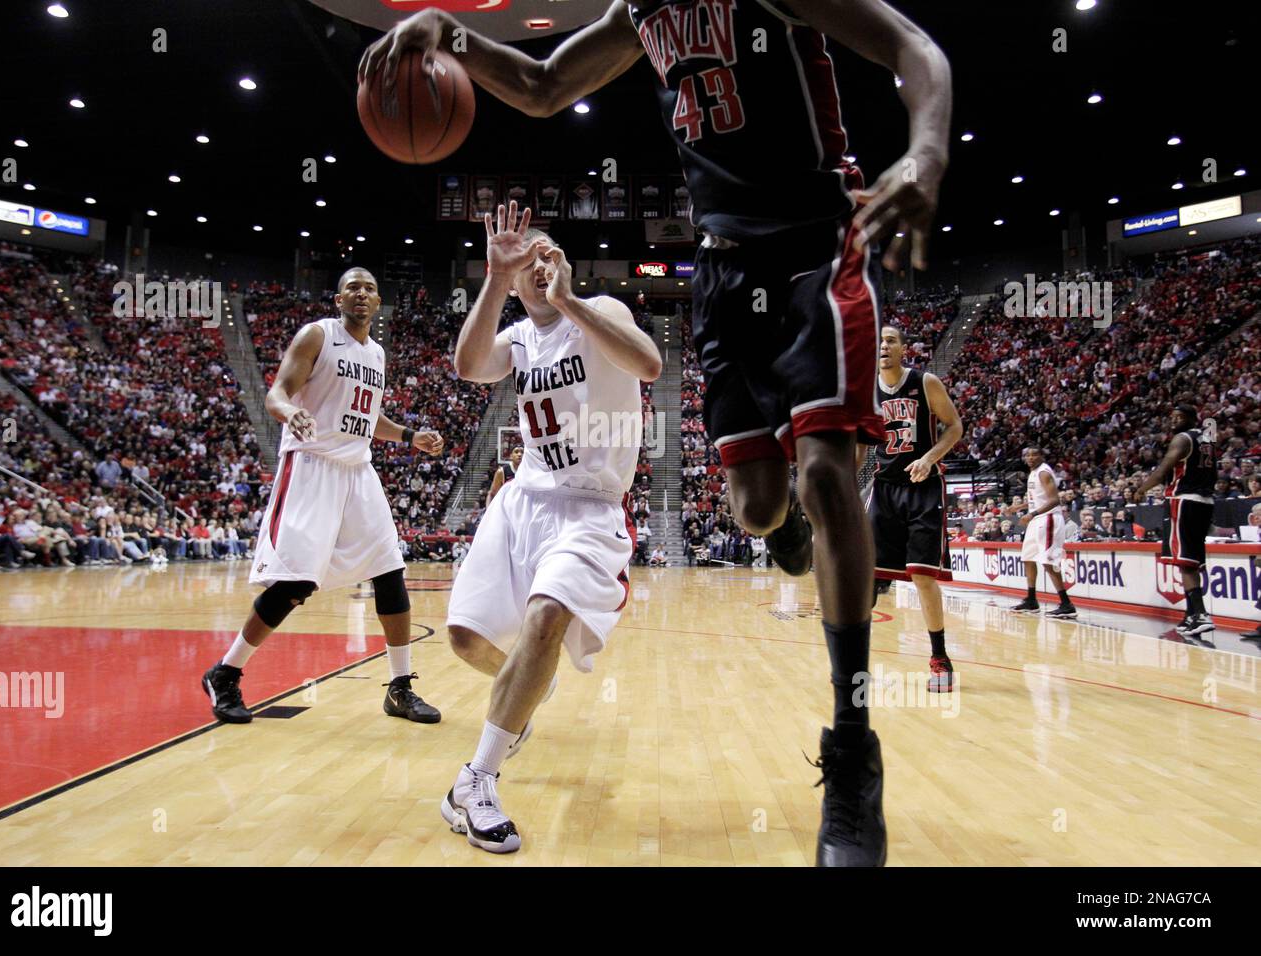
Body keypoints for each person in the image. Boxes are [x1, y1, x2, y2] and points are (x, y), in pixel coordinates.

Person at [361, 0, 952, 868]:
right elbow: (541, 83)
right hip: (723, 267)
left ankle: (853, 749)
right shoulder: (642, 8)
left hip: (817, 241)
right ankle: (783, 529)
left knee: (829, 476)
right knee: (756, 508)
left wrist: (926, 156)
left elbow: (914, 46)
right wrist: (444, 33)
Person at [442, 203, 660, 854]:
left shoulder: (602, 314)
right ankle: (529, 685)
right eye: (524, 261)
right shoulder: (517, 339)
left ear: (562, 265)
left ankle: (474, 781)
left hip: (590, 507)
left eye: (547, 255)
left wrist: (570, 301)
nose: (537, 266)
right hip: (523, 499)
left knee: (545, 620)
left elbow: (648, 364)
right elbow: (468, 365)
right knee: (461, 637)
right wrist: (493, 276)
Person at [200, 267, 446, 725]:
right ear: (338, 299)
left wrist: (410, 436)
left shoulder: (376, 353)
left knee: (390, 571)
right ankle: (225, 672)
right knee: (295, 585)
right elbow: (277, 392)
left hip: (358, 470)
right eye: (353, 286)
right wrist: (291, 412)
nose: (362, 293)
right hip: (312, 466)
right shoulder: (317, 336)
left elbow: (366, 417)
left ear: (377, 303)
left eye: (370, 288)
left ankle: (399, 687)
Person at [864, 324, 963, 692]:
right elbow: (861, 443)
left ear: (903, 348)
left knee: (923, 576)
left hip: (923, 487)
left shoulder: (925, 382)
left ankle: (940, 659)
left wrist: (929, 458)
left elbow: (955, 426)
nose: (884, 346)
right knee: (869, 579)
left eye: (890, 340)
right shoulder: (865, 391)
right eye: (878, 342)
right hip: (885, 488)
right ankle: (855, 661)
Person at [1129, 404, 1217, 636]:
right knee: (1193, 559)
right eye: (1172, 417)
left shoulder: (1182, 438)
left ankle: (1199, 614)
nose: (1173, 421)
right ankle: (1191, 615)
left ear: (1191, 418)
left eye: (1179, 417)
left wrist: (1141, 490)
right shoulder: (1207, 439)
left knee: (1184, 561)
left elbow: (1162, 470)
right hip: (1205, 502)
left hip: (1184, 500)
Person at [1004, 448, 1078, 618]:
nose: (1030, 457)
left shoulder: (1044, 473)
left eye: (1034, 454)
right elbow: (1037, 500)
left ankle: (1066, 604)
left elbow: (1054, 500)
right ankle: (1031, 600)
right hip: (1037, 520)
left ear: (1041, 456)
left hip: (1048, 519)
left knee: (1048, 561)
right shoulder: (1032, 473)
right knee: (1028, 558)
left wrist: (1032, 514)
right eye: (1027, 455)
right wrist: (1020, 507)